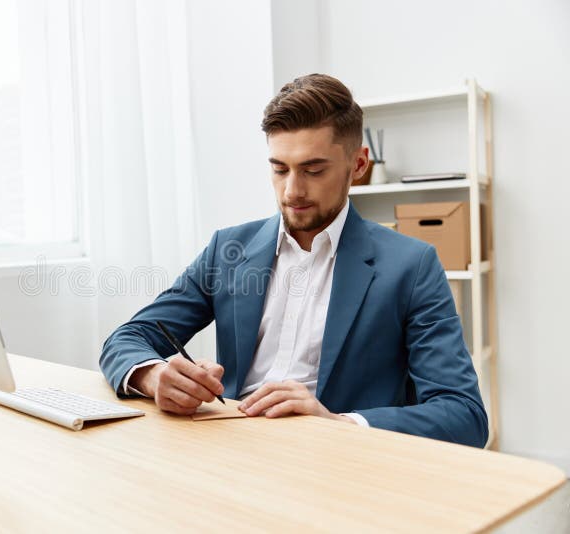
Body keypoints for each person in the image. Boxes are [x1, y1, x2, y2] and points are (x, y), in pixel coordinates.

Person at [99, 73, 488, 447]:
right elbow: (127, 338)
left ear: (358, 165)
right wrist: (154, 376)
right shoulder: (229, 249)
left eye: (313, 170)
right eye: (279, 169)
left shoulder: (412, 265)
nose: (292, 191)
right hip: (229, 450)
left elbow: (464, 415)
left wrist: (339, 424)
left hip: (336, 466)